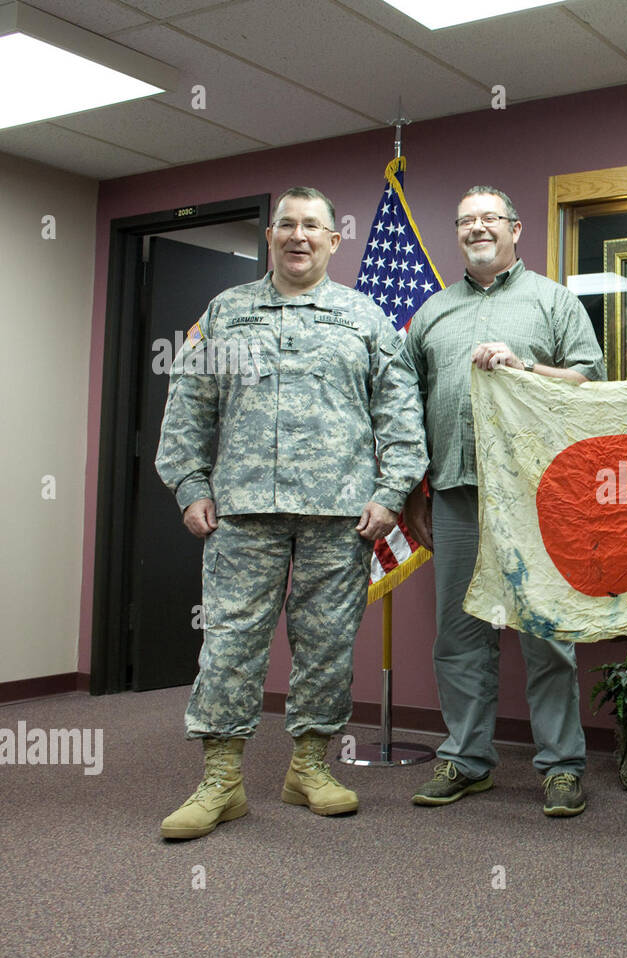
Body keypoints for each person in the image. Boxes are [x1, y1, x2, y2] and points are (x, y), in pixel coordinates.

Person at [155, 186, 428, 839]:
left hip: (341, 512)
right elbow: (189, 403)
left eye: (313, 226)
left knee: (327, 646)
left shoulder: (365, 318)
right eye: (287, 225)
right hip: (243, 509)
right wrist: (191, 483)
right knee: (230, 644)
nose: (298, 236)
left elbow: (400, 413)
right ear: (270, 236)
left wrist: (392, 493)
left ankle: (310, 767)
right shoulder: (227, 312)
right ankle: (221, 781)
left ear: (336, 241)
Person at [401, 185, 605, 817]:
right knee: (459, 634)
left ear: (516, 229)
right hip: (456, 492)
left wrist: (525, 370)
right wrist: (414, 488)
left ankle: (562, 766)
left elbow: (589, 383)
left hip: (537, 496)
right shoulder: (431, 314)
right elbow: (405, 406)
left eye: (489, 218)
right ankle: (465, 759)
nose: (477, 228)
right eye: (466, 220)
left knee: (545, 631)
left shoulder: (553, 302)